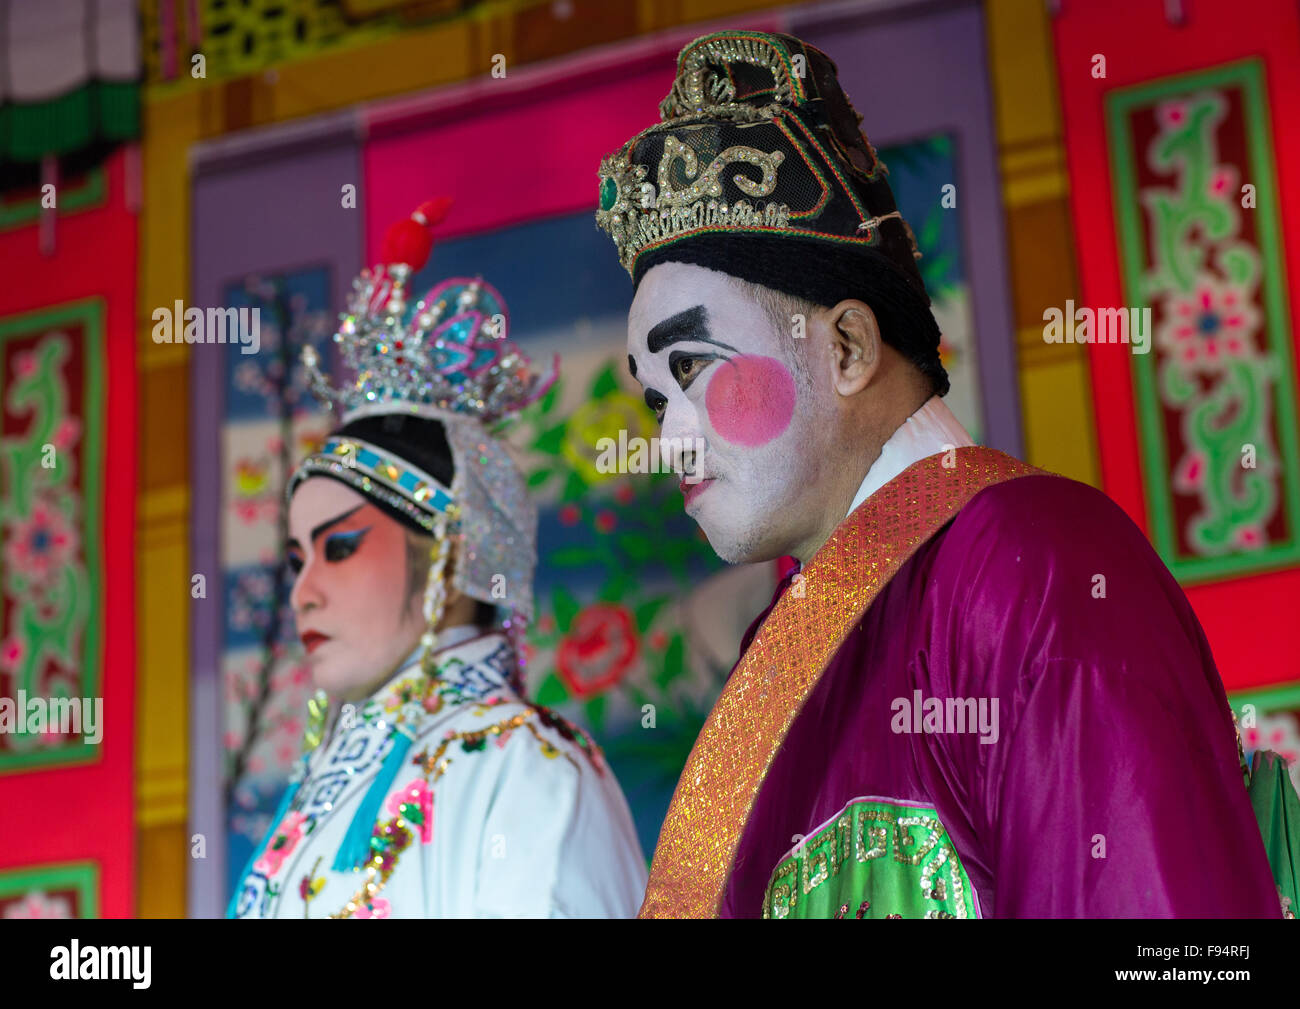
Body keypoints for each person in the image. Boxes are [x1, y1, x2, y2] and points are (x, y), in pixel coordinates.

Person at [595, 30, 1288, 918]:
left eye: (690, 367)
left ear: (846, 346)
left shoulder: (1034, 563)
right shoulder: (785, 647)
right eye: (655, 402)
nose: (670, 439)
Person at [228, 200, 647, 918]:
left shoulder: (526, 769)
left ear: (456, 552)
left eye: (341, 546)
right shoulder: (320, 793)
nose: (303, 593)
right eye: (298, 559)